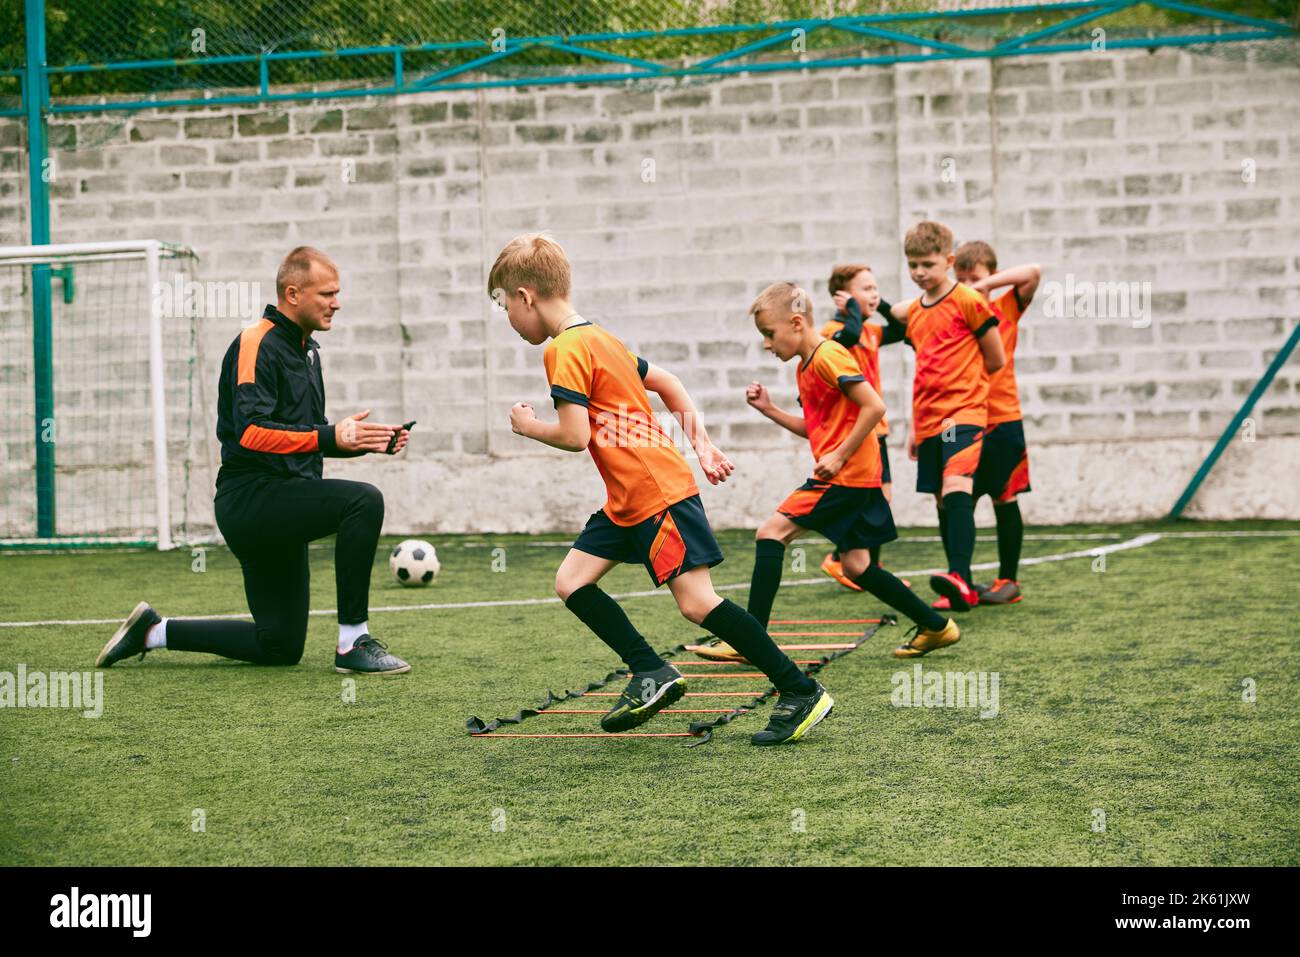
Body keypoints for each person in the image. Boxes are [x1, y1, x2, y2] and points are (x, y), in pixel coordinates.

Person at [490, 233, 833, 745]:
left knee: (697, 603)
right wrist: (703, 445)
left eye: (504, 307)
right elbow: (669, 381)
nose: (509, 321)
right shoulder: (600, 338)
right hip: (628, 498)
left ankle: (799, 689)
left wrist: (527, 425)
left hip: (655, 492)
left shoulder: (564, 348)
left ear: (525, 296)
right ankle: (650, 670)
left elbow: (574, 435)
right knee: (572, 581)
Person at [96, 247, 412, 675]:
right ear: (293, 293)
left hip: (285, 501)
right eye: (328, 293)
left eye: (337, 293)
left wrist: (360, 441)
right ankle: (353, 641)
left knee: (278, 645)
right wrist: (327, 434)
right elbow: (250, 432)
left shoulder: (308, 351)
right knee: (364, 501)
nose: (337, 302)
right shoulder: (255, 342)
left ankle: (154, 632)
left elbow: (304, 436)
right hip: (252, 500)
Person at [732, 281, 958, 661]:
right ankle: (936, 626)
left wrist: (838, 456)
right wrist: (769, 409)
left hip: (845, 475)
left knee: (771, 533)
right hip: (855, 475)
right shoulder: (805, 368)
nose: (768, 345)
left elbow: (874, 407)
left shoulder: (828, 356)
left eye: (770, 334)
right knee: (857, 566)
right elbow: (814, 426)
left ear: (797, 322)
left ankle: (751, 641)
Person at [892, 221, 1005, 611]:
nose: (920, 272)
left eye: (927, 264)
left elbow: (996, 358)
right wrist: (911, 425)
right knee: (942, 501)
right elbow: (924, 370)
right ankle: (964, 584)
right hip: (927, 421)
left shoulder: (970, 301)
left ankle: (957, 575)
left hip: (965, 412)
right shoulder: (916, 315)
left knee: (958, 486)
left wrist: (969, 390)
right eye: (913, 265)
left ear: (949, 261)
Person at [945, 241, 1041, 607]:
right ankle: (961, 580)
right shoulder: (952, 313)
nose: (969, 285)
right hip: (964, 417)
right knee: (957, 499)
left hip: (1003, 418)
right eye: (962, 278)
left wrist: (988, 287)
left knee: (1005, 496)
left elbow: (1033, 271)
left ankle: (1008, 580)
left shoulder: (1005, 308)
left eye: (977, 278)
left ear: (992, 276)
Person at [817, 263, 910, 591]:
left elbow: (904, 330)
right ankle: (839, 559)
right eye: (866, 289)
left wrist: (880, 304)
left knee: (881, 498)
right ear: (843, 297)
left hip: (876, 429)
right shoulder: (831, 331)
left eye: (875, 288)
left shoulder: (871, 331)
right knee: (866, 498)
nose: (875, 294)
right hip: (853, 429)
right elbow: (850, 335)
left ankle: (870, 566)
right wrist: (852, 310)